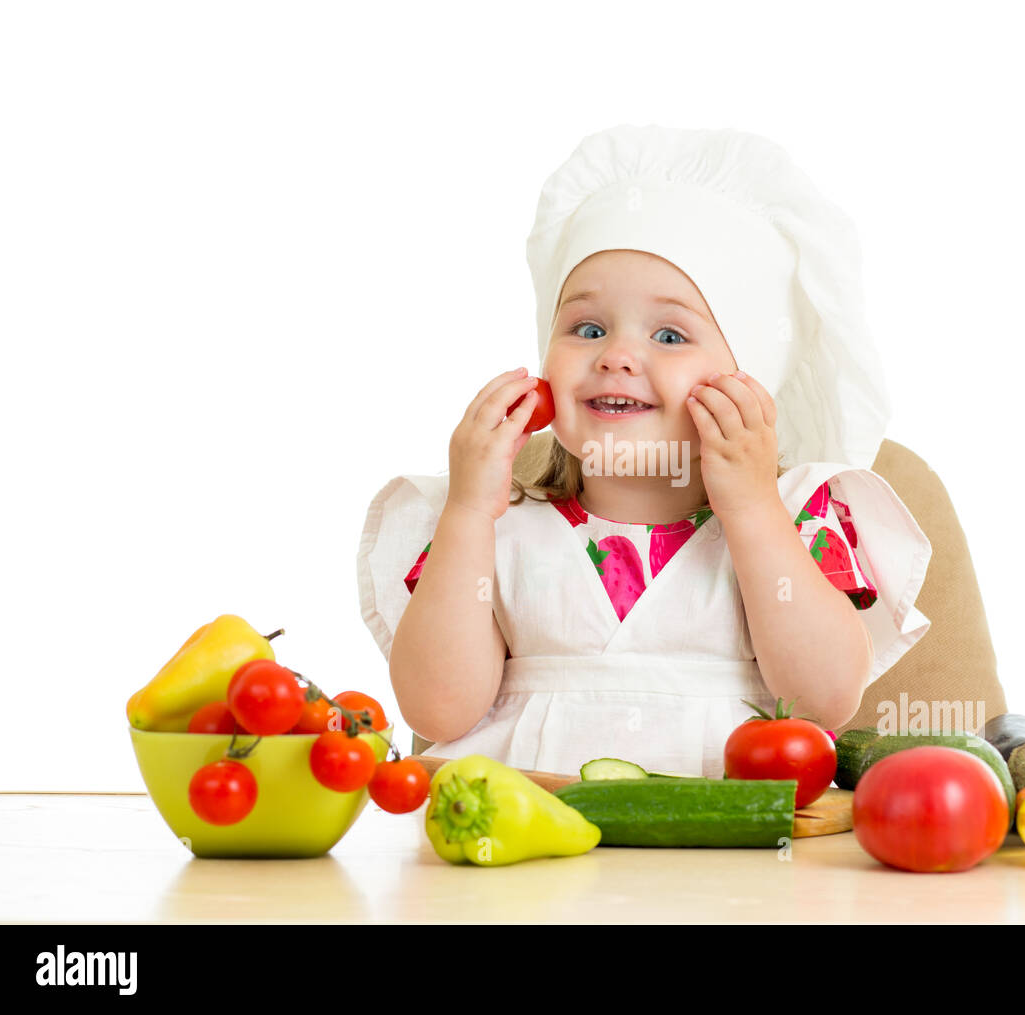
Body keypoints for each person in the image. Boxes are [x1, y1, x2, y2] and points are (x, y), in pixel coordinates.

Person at [357, 125, 931, 778]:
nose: (617, 355)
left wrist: (750, 508)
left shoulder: (799, 515)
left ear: (752, 381)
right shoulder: (492, 525)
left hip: (729, 873)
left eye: (668, 333)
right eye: (588, 327)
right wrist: (466, 510)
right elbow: (438, 710)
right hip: (522, 859)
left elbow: (823, 699)